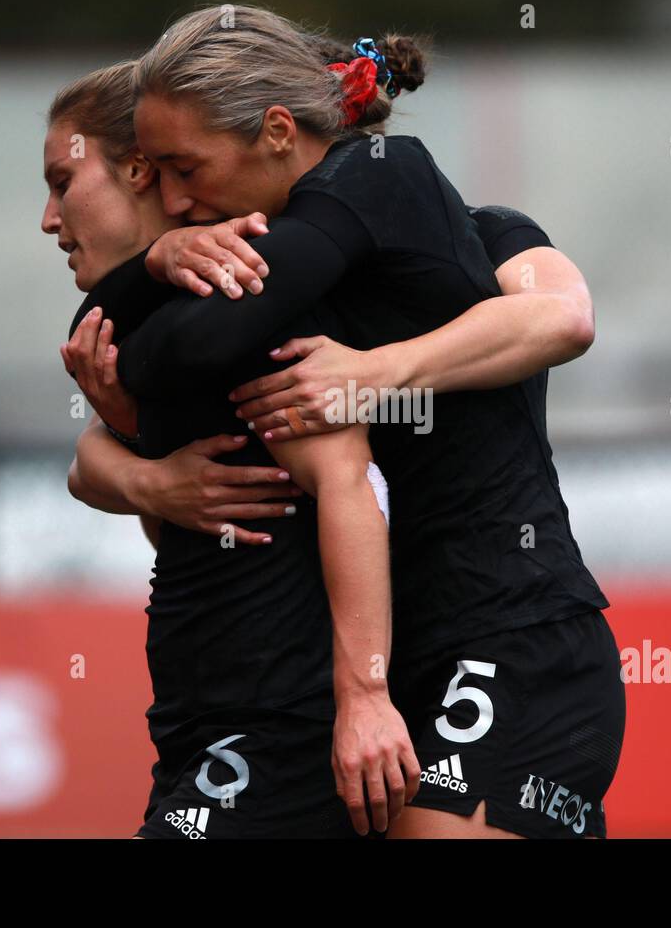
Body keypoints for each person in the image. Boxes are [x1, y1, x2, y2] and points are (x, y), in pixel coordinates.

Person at [71, 6, 624, 838]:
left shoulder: (462, 220)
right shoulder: (301, 283)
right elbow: (138, 426)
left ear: (281, 131)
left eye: (187, 168)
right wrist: (147, 459)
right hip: (405, 656)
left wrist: (371, 375)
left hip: (513, 633)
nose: (181, 200)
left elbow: (565, 320)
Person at [43, 59, 416, 838]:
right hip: (199, 726)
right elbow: (113, 483)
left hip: (275, 725)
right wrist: (154, 475)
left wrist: (366, 697)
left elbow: (353, 481)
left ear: (139, 172)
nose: (50, 218)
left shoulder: (236, 297)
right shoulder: (159, 324)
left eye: (62, 182)